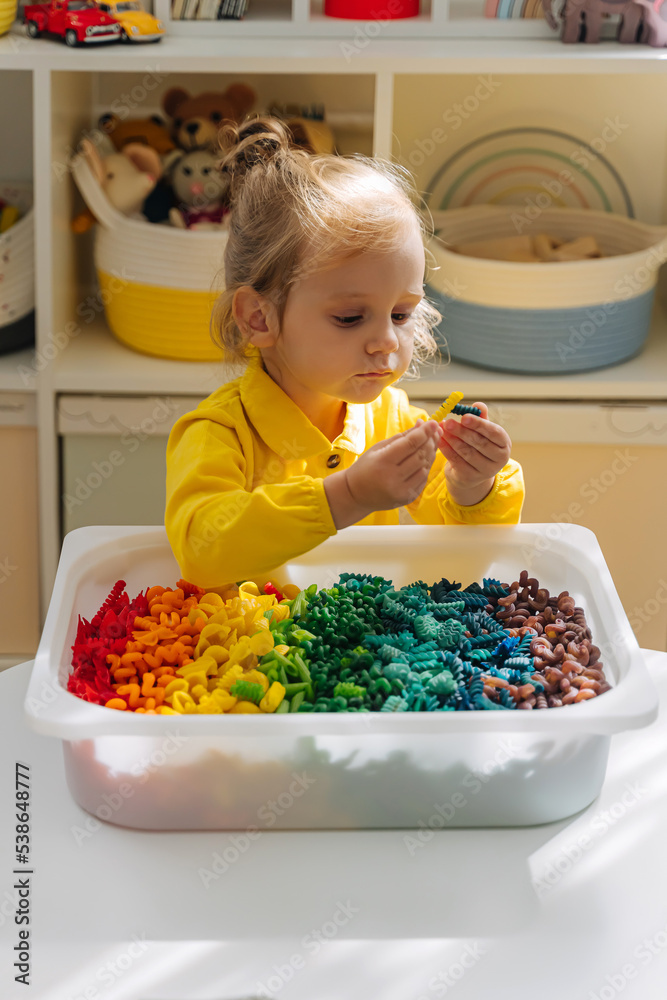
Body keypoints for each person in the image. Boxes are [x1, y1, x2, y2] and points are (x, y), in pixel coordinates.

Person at [165, 117, 524, 589]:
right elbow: (201, 550)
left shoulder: (390, 417)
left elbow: (463, 543)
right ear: (260, 318)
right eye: (351, 318)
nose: (387, 342)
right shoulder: (220, 433)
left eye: (400, 314)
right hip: (249, 652)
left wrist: (472, 485)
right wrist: (346, 496)